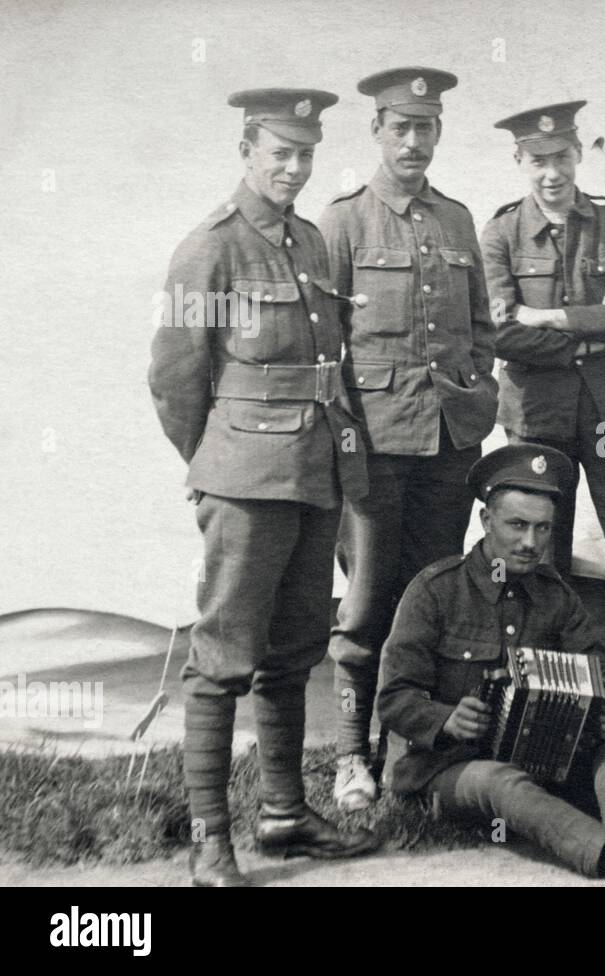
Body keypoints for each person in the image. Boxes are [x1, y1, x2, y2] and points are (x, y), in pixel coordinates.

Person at [148, 88, 378, 886]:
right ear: (248, 148)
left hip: (315, 475)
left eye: (306, 153)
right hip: (245, 483)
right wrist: (219, 464)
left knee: (294, 652)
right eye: (280, 151)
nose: (294, 167)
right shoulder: (208, 248)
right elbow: (176, 380)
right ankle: (210, 838)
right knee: (222, 659)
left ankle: (284, 815)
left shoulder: (311, 241)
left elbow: (330, 364)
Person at [376, 445, 605, 886]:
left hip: (543, 755)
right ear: (485, 520)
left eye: (542, 529)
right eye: (517, 525)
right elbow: (394, 696)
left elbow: (598, 665)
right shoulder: (436, 590)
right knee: (500, 782)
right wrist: (446, 719)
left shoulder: (555, 593)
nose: (531, 543)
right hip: (447, 767)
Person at [319, 68, 500, 813]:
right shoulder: (343, 223)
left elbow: (481, 327)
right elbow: (324, 352)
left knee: (431, 600)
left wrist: (478, 397)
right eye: (402, 128)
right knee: (366, 605)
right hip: (375, 447)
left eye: (427, 128)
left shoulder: (457, 221)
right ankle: (350, 757)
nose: (415, 142)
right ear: (378, 132)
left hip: (448, 444)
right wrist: (347, 448)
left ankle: (414, 754)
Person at [480, 100, 605, 611]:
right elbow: (499, 333)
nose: (552, 173)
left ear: (579, 153)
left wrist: (550, 317)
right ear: (519, 161)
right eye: (538, 161)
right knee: (536, 552)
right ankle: (545, 675)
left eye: (562, 157)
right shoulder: (500, 233)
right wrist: (591, 331)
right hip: (537, 410)